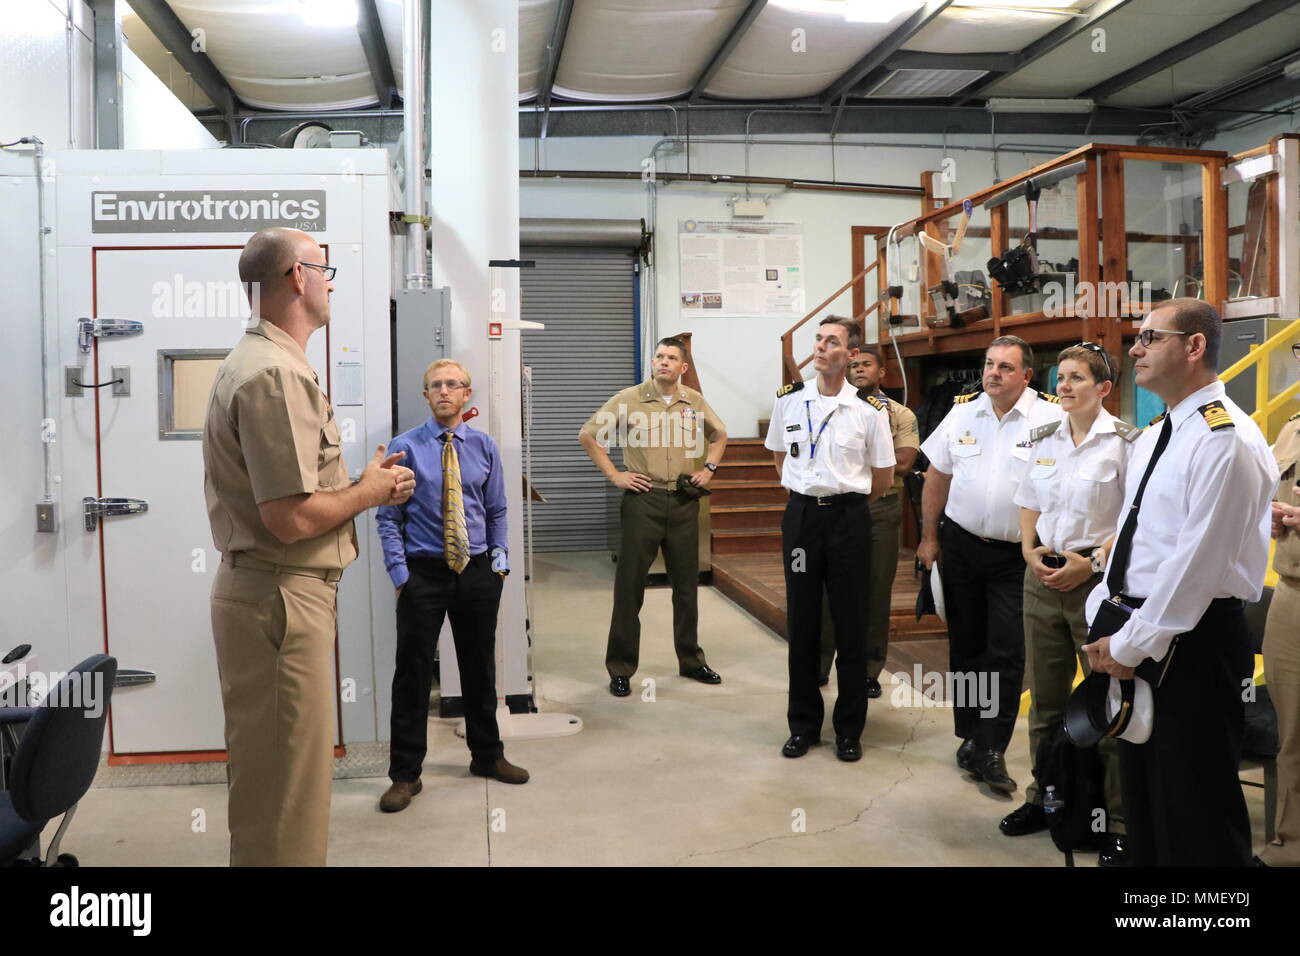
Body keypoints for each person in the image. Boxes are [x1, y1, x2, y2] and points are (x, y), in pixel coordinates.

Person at [204, 227, 415, 866]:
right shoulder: (273, 374)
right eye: (326, 270)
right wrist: (372, 492)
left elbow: (298, 495)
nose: (329, 284)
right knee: (285, 794)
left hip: (281, 597)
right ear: (298, 276)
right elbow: (291, 520)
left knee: (282, 781)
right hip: (281, 600)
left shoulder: (272, 363)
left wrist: (355, 483)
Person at [1083, 298, 1275, 867]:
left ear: (1194, 347)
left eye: (1149, 338)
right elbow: (1133, 536)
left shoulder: (1225, 439)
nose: (1134, 350)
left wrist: (1131, 644)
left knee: (1196, 804)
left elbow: (1197, 564)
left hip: (1190, 640)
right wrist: (1105, 616)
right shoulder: (1159, 431)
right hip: (1141, 625)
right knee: (1147, 798)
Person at [1000, 343, 1134, 865]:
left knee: (1105, 704)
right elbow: (1030, 500)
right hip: (1043, 576)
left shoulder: (1125, 443)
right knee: (1045, 703)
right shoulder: (1043, 437)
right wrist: (1030, 550)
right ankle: (1045, 799)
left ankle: (1116, 819)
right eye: (1061, 377)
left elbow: (1131, 520)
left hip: (1095, 584)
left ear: (1103, 389)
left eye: (1077, 378)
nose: (1065, 385)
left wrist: (1092, 563)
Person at [375, 358, 527, 814]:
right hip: (423, 573)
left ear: (467, 394)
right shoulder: (404, 448)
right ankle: (405, 776)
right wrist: (401, 575)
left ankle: (487, 756)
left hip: (477, 572)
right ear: (425, 395)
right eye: (435, 385)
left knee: (479, 668)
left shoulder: (484, 447)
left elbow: (498, 510)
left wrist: (498, 566)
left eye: (453, 384)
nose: (444, 391)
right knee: (413, 674)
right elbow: (388, 518)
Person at [918, 335, 1065, 793]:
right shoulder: (963, 412)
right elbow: (937, 476)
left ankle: (992, 747)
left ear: (1027, 375)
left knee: (1005, 651)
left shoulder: (1051, 417)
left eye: (1005, 367)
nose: (993, 374)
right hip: (961, 545)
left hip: (1016, 553)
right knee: (966, 644)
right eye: (989, 365)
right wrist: (928, 538)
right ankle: (971, 735)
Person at [766, 316, 894, 762]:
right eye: (818, 339)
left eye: (832, 342)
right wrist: (809, 494)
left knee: (851, 625)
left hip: (849, 521)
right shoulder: (788, 403)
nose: (820, 347)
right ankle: (802, 724)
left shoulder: (869, 412)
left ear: (851, 354)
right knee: (802, 622)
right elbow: (780, 460)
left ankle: (849, 729)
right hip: (802, 519)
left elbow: (882, 478)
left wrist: (842, 500)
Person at [579, 338, 728, 697]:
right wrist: (615, 475)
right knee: (629, 588)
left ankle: (691, 660)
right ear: (653, 362)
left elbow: (720, 434)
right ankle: (620, 668)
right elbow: (588, 435)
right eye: (659, 356)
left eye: (672, 358)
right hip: (642, 501)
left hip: (682, 501)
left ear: (683, 368)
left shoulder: (693, 401)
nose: (664, 362)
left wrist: (708, 467)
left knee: (686, 587)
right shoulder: (628, 398)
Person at [818, 346, 920, 696]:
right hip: (838, 507)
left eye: (867, 365)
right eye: (854, 365)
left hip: (881, 509)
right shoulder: (832, 408)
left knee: (875, 592)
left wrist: (864, 454)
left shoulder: (900, 414)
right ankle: (818, 665)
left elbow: (904, 464)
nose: (859, 370)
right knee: (828, 589)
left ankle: (868, 670)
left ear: (882, 374)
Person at [1254, 353, 1300, 866]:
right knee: (1293, 736)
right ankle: (1289, 848)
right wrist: (1273, 514)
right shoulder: (1292, 429)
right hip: (1292, 593)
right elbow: (1268, 489)